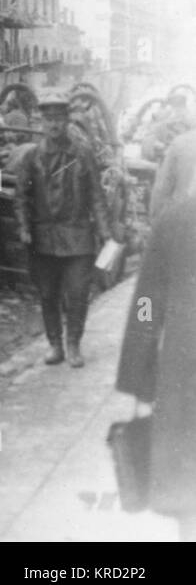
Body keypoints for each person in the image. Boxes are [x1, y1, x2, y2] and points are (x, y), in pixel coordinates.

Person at [14, 90, 114, 368]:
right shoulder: (31, 158)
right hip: (43, 238)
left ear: (67, 120)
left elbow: (96, 196)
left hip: (78, 236)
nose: (54, 125)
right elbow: (21, 196)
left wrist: (106, 233)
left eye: (59, 119)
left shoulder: (83, 154)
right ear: (41, 123)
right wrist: (24, 228)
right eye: (48, 120)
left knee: (78, 293)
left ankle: (73, 344)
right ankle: (55, 344)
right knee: (47, 294)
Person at [116, 194, 196, 539]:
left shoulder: (176, 216)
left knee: (188, 492)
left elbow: (146, 303)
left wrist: (140, 378)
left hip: (185, 370)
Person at [148, 127, 196, 222]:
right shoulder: (181, 143)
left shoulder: (182, 142)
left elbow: (162, 188)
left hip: (183, 220)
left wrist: (155, 219)